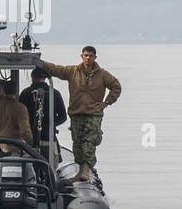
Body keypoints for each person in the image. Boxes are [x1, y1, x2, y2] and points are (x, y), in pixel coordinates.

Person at [41, 46, 122, 181]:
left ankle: (85, 169)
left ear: (95, 57)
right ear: (81, 56)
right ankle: (80, 169)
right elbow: (56, 69)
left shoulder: (102, 74)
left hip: (93, 114)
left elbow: (116, 86)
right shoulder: (73, 71)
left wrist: (106, 102)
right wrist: (41, 63)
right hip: (77, 113)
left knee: (89, 142)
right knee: (77, 143)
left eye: (90, 56)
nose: (88, 58)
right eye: (86, 55)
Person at [18, 68, 68, 149]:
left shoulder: (26, 93)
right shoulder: (55, 93)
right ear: (45, 78)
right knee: (51, 159)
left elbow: (19, 114)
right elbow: (63, 117)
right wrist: (50, 124)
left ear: (32, 77)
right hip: (48, 137)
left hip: (29, 138)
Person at [0, 80, 32, 154]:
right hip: (15, 148)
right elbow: (25, 131)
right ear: (16, 92)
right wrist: (30, 145)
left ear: (4, 91)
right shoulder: (20, 108)